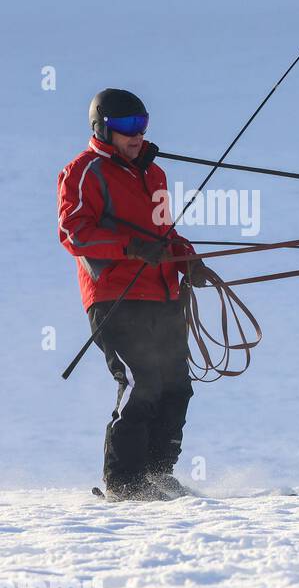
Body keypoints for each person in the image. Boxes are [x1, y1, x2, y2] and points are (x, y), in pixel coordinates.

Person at [57, 89, 213, 501]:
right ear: (102, 129)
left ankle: (158, 477)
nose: (136, 135)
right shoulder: (83, 171)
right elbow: (73, 232)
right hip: (115, 298)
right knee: (144, 380)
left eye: (141, 125)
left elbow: (166, 233)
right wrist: (129, 246)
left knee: (176, 385)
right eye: (126, 127)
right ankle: (125, 484)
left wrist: (189, 262)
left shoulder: (154, 175)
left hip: (162, 295)